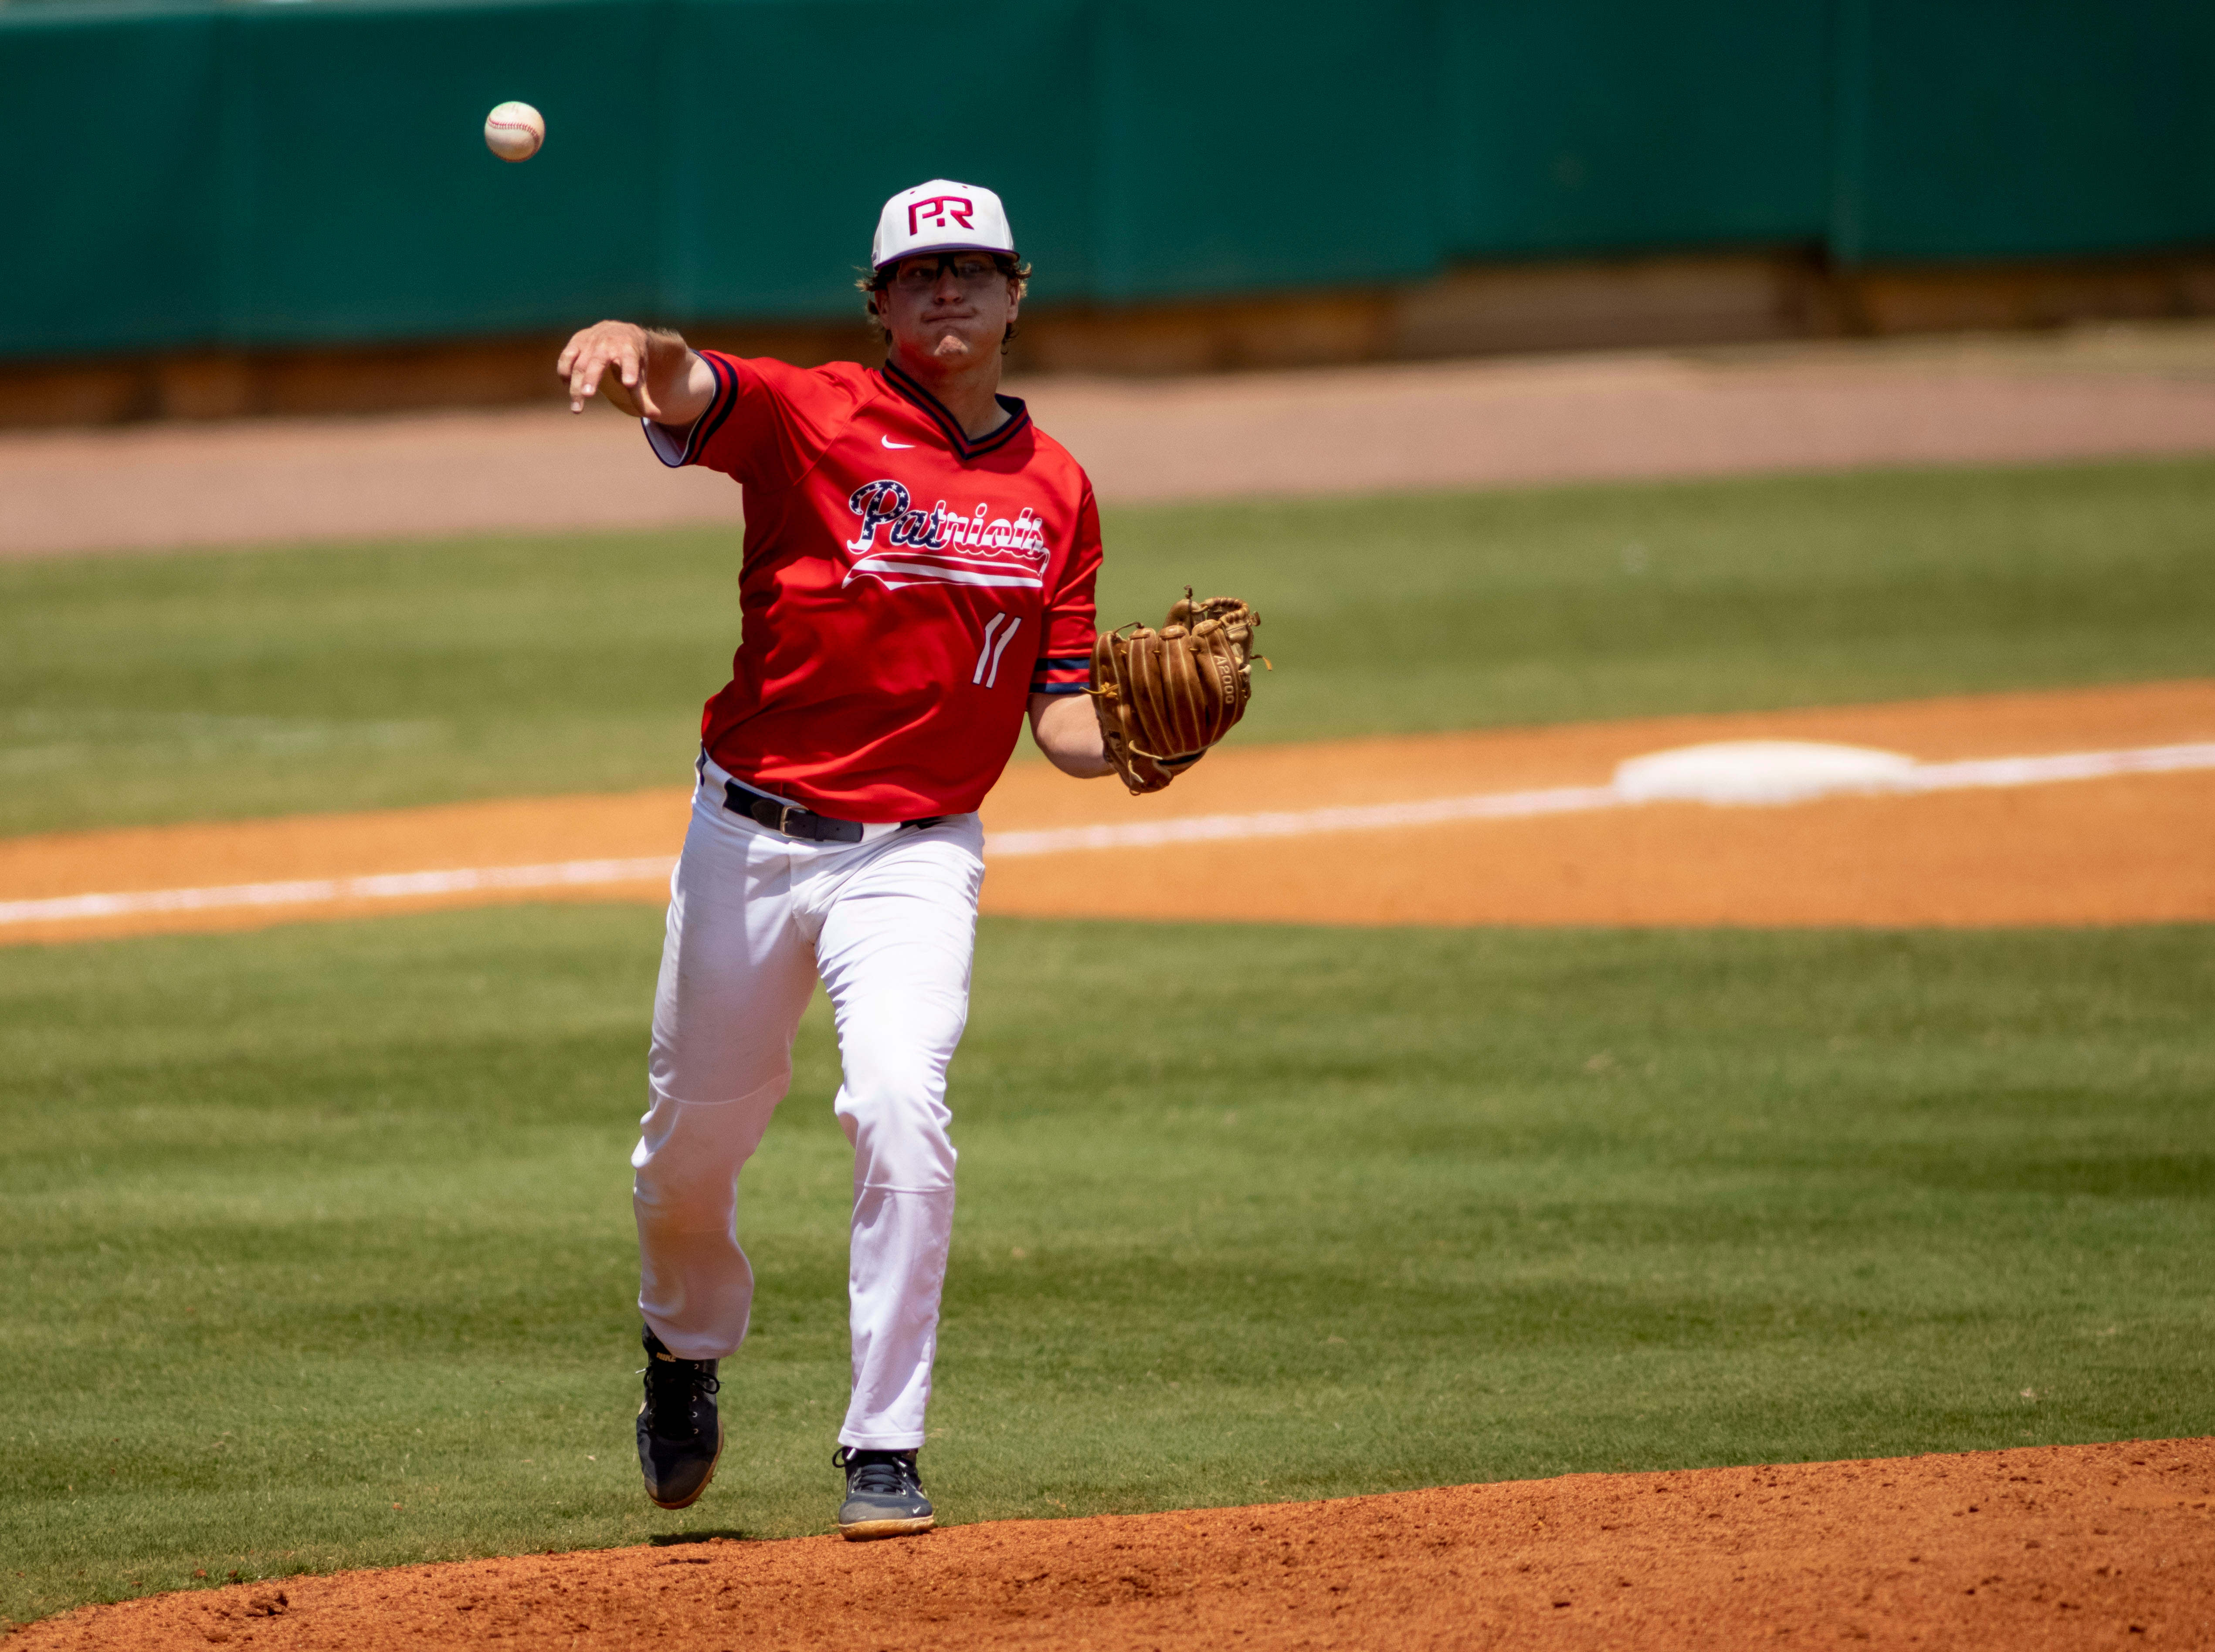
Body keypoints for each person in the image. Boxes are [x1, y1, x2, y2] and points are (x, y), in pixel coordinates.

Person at [554, 180, 1113, 1540]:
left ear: (1015, 292)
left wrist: (1139, 744)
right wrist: (643, 343)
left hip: (917, 858)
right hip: (747, 837)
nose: (946, 293)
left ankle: (884, 1445)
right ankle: (684, 1351)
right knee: (692, 1149)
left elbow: (1065, 713)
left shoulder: (1058, 489)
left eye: (972, 270)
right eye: (917, 276)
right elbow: (694, 391)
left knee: (899, 1109)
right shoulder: (813, 416)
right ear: (877, 303)